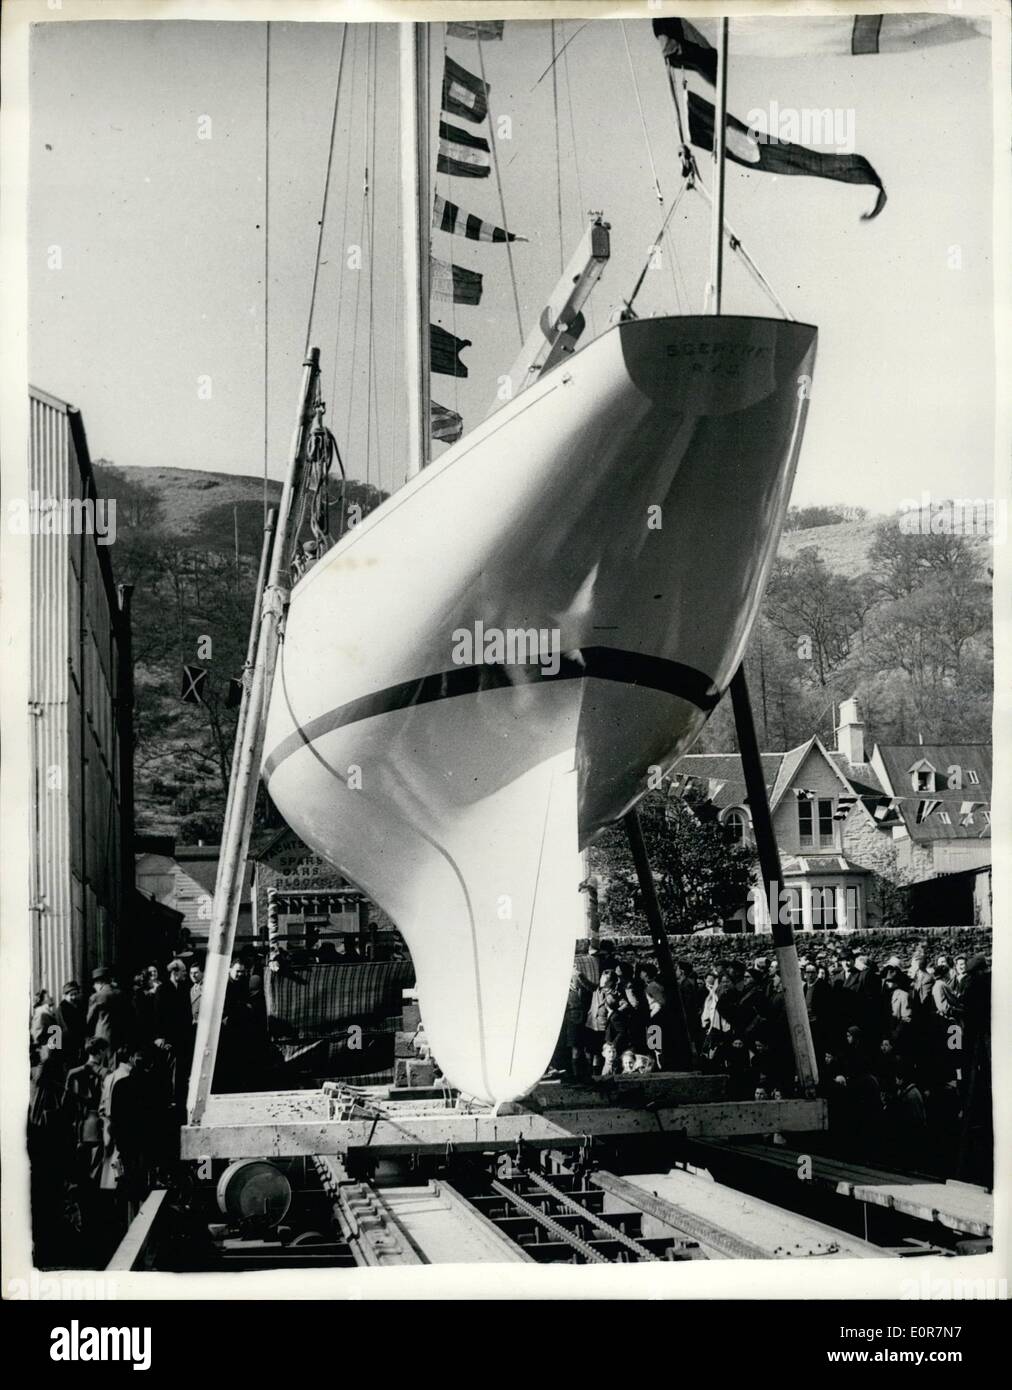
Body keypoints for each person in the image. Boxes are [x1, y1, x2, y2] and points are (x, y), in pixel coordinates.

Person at [56, 981, 86, 1064]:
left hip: (79, 1042)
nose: (74, 997)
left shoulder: (79, 1005)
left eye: (76, 994)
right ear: (65, 996)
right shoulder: (62, 1008)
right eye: (71, 995)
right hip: (68, 1044)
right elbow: (67, 1028)